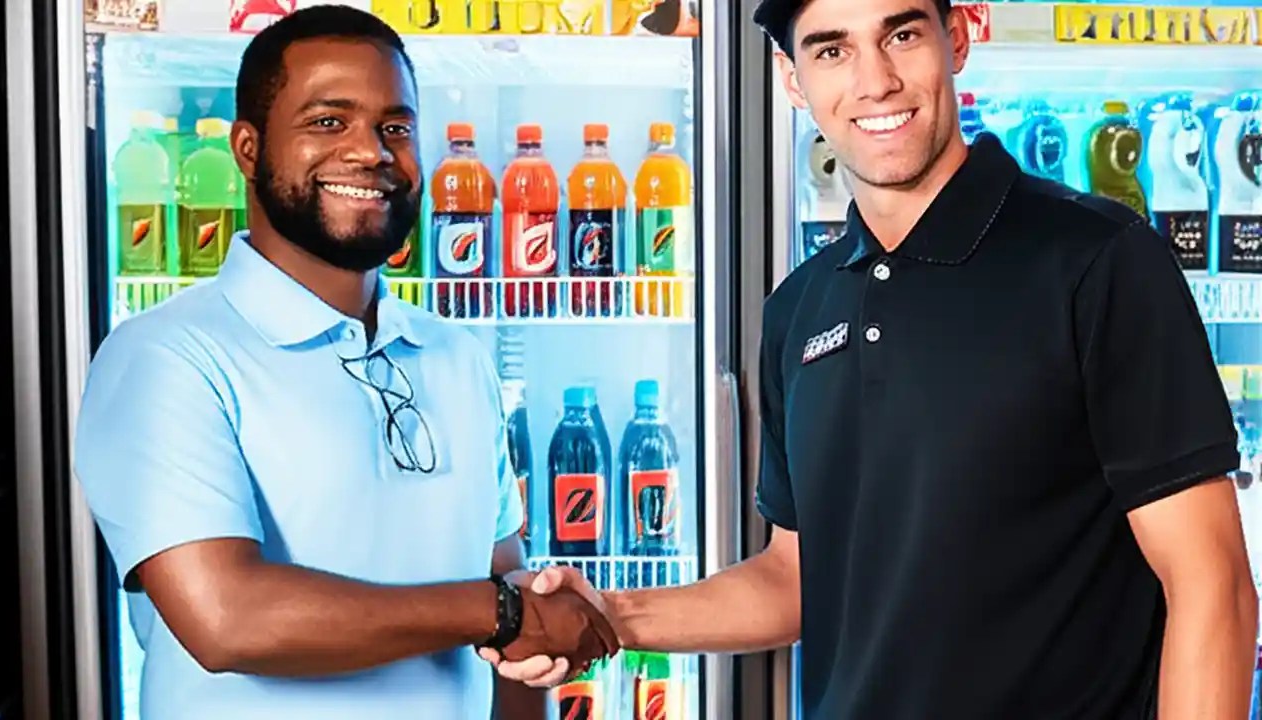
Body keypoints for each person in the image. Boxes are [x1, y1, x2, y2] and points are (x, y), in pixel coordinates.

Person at [484, 0, 1261, 716]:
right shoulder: (800, 309)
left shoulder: (1096, 261)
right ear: (792, 80)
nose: (875, 81)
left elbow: (1211, 583)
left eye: (902, 34)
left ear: (956, 39)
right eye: (832, 50)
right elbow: (793, 579)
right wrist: (609, 615)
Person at [73, 6, 617, 719]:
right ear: (247, 148)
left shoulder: (456, 357)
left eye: (395, 127)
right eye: (328, 122)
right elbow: (228, 619)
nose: (371, 151)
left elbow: (511, 612)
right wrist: (498, 611)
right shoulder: (164, 358)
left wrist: (515, 616)